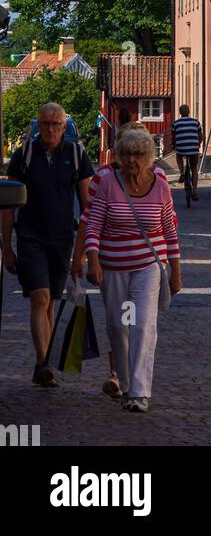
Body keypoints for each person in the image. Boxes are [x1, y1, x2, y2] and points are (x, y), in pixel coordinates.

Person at [84, 128, 180, 413]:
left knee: (142, 324)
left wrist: (175, 271)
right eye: (126, 155)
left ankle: (140, 391)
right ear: (118, 156)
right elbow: (93, 224)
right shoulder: (107, 182)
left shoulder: (160, 184)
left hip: (148, 265)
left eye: (138, 155)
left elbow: (169, 230)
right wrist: (93, 260)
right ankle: (125, 384)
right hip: (114, 267)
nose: (132, 161)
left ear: (149, 157)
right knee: (118, 325)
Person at [1, 102, 94, 388]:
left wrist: (82, 254)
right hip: (31, 236)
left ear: (64, 128)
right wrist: (7, 246)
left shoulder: (77, 155)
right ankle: (43, 363)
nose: (50, 129)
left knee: (51, 300)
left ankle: (46, 363)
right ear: (37, 126)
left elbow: (88, 208)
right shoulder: (24, 155)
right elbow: (7, 205)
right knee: (40, 297)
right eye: (45, 124)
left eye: (55, 124)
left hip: (62, 238)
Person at [171, 105, 203, 198]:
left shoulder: (175, 123)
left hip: (181, 148)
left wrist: (174, 145)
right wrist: (198, 144)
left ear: (180, 113)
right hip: (193, 149)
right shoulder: (195, 122)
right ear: (188, 111)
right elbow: (200, 135)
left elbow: (174, 137)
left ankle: (181, 172)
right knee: (194, 169)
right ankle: (195, 191)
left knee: (178, 156)